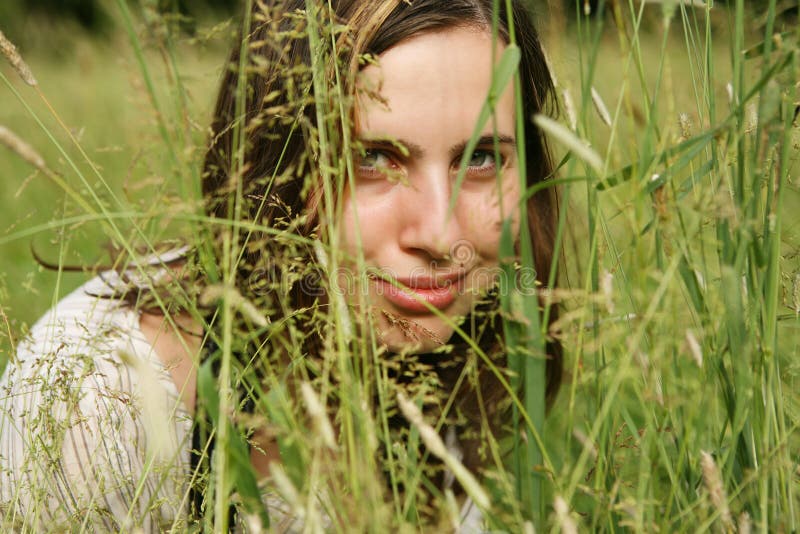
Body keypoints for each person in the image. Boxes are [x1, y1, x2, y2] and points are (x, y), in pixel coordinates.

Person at [0, 0, 562, 531]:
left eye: (483, 158)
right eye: (372, 158)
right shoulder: (97, 403)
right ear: (273, 165)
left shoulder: (446, 355)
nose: (441, 234)